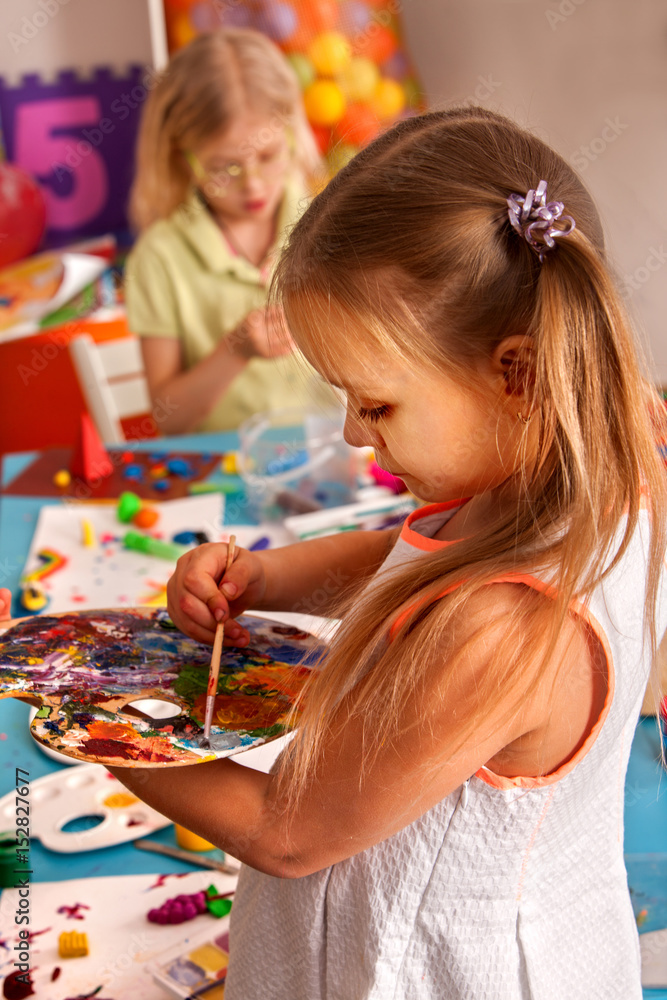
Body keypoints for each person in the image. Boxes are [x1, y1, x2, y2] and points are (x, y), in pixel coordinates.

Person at [109, 108, 667, 999]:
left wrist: (101, 729)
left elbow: (287, 833)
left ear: (516, 374)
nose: (351, 433)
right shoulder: (587, 458)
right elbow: (413, 556)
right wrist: (270, 577)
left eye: (374, 405)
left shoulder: (502, 630)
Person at [125, 28, 330, 434]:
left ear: (292, 133)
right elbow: (169, 419)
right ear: (182, 159)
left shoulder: (328, 222)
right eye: (225, 168)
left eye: (268, 156)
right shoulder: (160, 257)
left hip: (334, 451)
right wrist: (235, 351)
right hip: (225, 462)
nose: (253, 186)